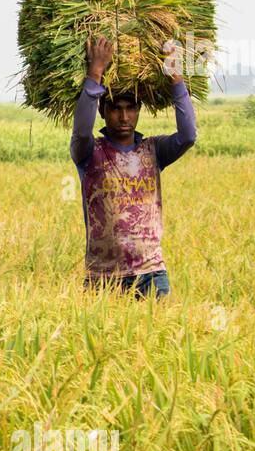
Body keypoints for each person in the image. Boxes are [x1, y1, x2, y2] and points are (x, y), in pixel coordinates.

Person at [71, 36, 197, 298]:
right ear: (103, 111)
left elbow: (188, 137)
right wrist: (95, 73)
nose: (124, 116)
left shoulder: (153, 150)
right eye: (116, 108)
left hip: (151, 275)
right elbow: (81, 131)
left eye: (131, 108)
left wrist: (176, 80)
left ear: (139, 110)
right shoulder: (90, 152)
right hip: (101, 279)